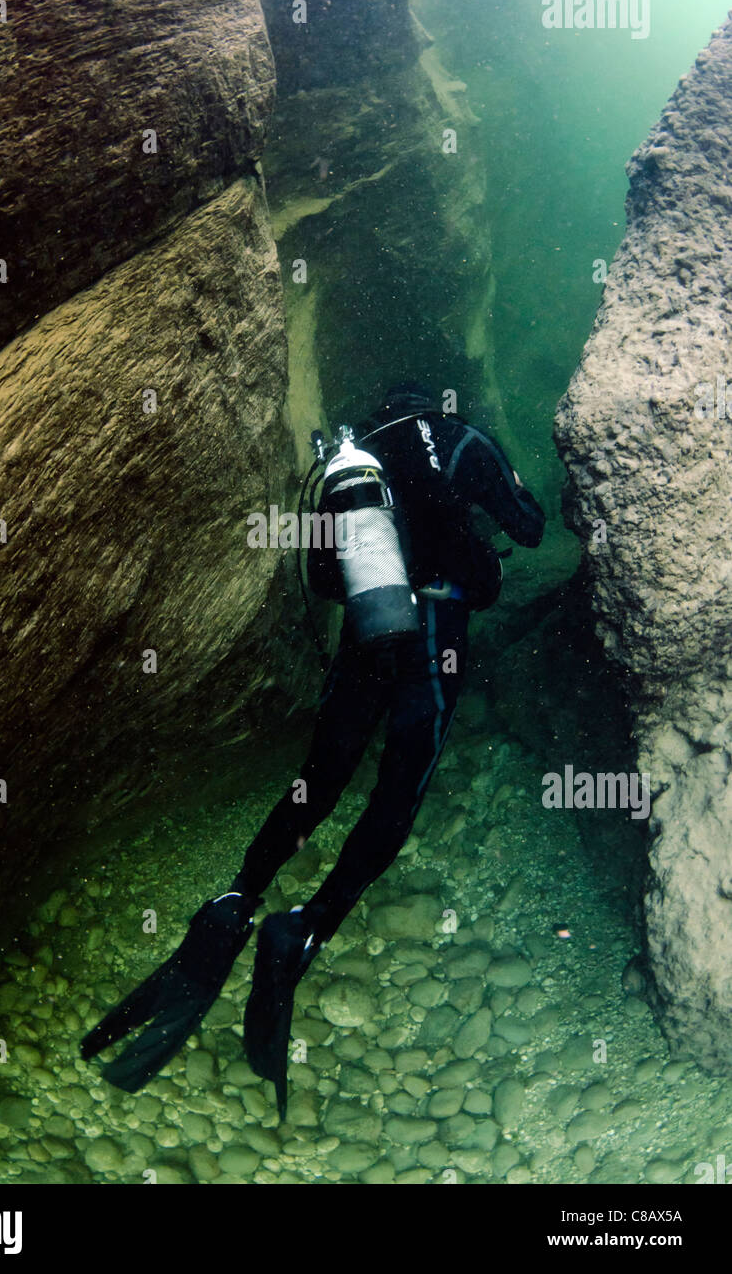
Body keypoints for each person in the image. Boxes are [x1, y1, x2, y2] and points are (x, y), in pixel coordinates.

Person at [81, 382, 545, 1117]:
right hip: (436, 633)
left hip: (368, 631)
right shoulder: (460, 440)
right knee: (397, 795)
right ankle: (305, 927)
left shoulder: (354, 457)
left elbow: (327, 580)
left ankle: (236, 900)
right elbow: (529, 529)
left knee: (318, 780)